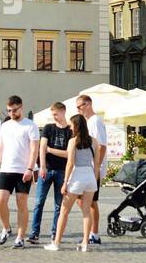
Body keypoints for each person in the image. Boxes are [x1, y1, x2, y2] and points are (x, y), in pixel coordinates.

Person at [46, 112, 101, 251]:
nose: (70, 128)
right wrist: (94, 180)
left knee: (64, 210)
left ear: (76, 126)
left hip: (77, 176)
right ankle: (85, 243)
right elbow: (97, 164)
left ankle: (56, 243)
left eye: (72, 125)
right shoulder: (94, 141)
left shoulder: (73, 141)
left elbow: (70, 163)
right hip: (89, 176)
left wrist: (65, 182)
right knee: (86, 212)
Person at [0, 95, 40, 249]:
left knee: (22, 204)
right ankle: (6, 228)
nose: (11, 113)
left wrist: (30, 169)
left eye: (14, 110)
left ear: (21, 107)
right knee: (0, 202)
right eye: (9, 111)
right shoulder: (5, 126)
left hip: (23, 171)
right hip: (6, 169)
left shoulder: (30, 126)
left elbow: (34, 150)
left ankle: (20, 237)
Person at [29, 102, 71, 243]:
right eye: (52, 114)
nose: (54, 117)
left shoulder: (70, 131)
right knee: (38, 202)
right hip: (46, 169)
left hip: (62, 171)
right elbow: (42, 147)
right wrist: (42, 166)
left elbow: (68, 154)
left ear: (63, 112)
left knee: (59, 205)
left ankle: (55, 232)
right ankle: (34, 233)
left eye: (56, 114)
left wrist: (51, 150)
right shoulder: (48, 128)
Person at [75, 94, 109, 244]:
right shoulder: (89, 122)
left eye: (79, 106)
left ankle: (94, 233)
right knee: (82, 200)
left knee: (91, 201)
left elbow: (101, 146)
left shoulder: (95, 121)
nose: (78, 110)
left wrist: (96, 167)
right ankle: (89, 232)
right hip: (87, 167)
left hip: (93, 168)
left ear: (88, 104)